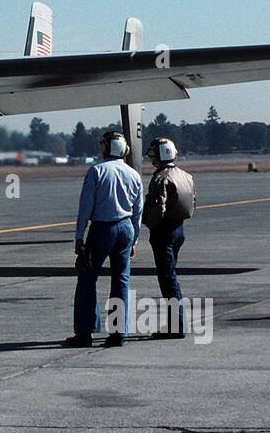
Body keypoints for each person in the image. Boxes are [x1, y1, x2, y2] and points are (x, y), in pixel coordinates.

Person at [66, 130, 143, 348]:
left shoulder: (97, 171)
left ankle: (85, 332)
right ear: (125, 149)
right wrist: (135, 239)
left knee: (87, 279)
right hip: (126, 228)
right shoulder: (133, 174)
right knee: (121, 281)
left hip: (102, 229)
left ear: (106, 148)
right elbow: (138, 211)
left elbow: (85, 208)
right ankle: (118, 332)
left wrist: (79, 237)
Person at [142, 137, 196, 339]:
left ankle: (177, 326)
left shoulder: (161, 178)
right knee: (171, 275)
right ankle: (176, 324)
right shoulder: (185, 176)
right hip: (179, 229)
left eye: (153, 154)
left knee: (168, 279)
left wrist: (146, 221)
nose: (151, 158)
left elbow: (158, 208)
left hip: (163, 231)